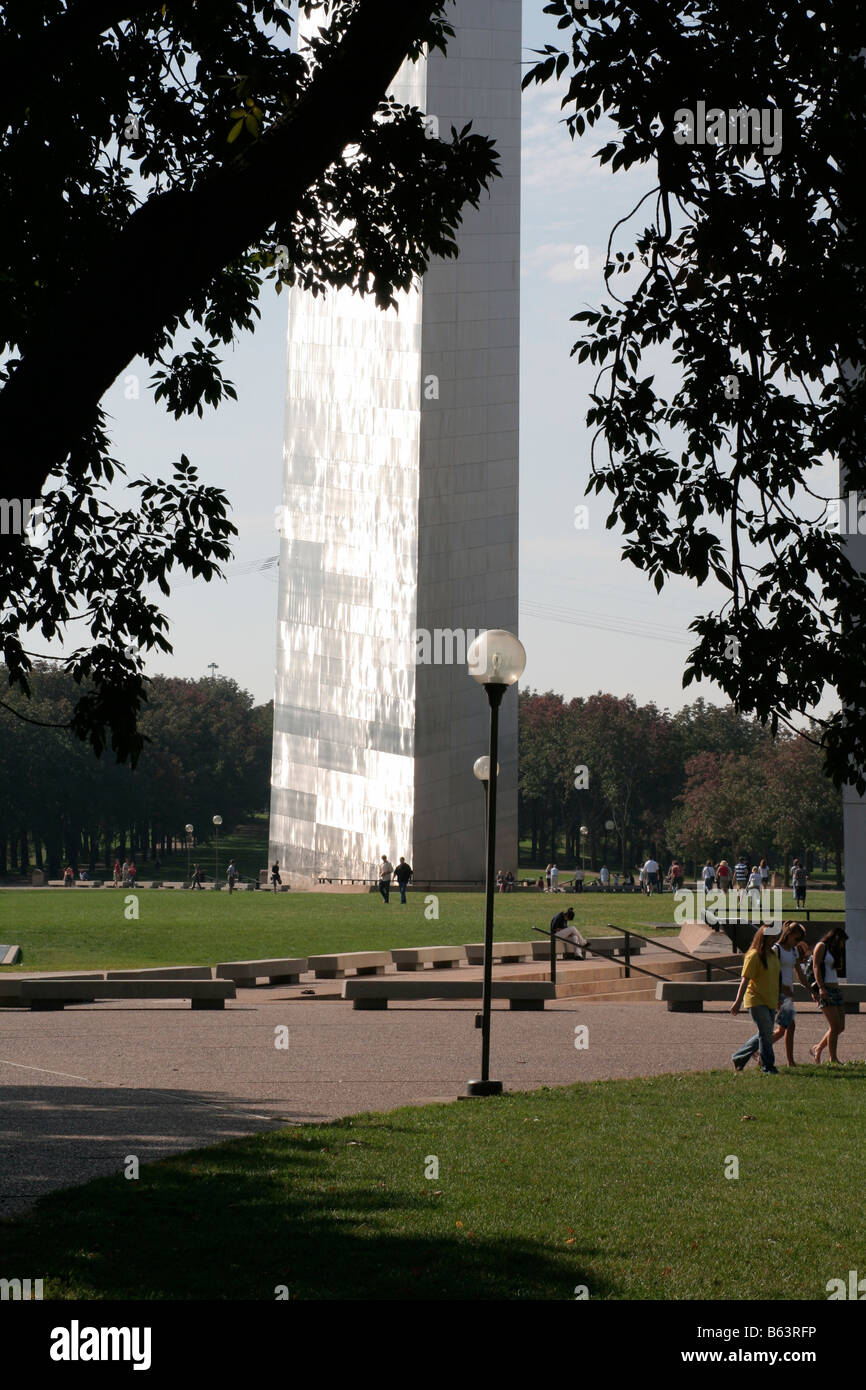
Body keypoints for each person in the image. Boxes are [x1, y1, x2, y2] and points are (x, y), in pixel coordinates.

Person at [730, 922, 782, 1073]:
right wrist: (737, 1002)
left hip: (771, 1000)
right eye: (770, 937)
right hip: (756, 999)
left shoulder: (773, 955)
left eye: (774, 937)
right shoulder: (753, 956)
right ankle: (768, 1067)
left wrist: (778, 998)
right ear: (763, 938)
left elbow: (774, 978)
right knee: (766, 1034)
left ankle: (739, 1057)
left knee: (765, 1033)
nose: (773, 940)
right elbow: (745, 980)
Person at [772, 921, 810, 1066]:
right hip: (778, 992)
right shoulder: (776, 949)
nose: (797, 942)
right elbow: (771, 973)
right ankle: (790, 1061)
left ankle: (757, 1049)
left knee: (782, 1029)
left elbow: (800, 974)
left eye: (799, 940)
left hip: (788, 992)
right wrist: (781, 988)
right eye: (796, 939)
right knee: (790, 1025)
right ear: (788, 934)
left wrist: (812, 990)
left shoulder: (793, 951)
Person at [810, 926, 849, 1064]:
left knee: (840, 1027)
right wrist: (821, 988)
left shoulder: (833, 951)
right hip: (825, 989)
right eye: (842, 941)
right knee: (834, 1026)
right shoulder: (821, 946)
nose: (842, 945)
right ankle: (833, 1058)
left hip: (836, 989)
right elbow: (815, 967)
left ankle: (818, 1048)